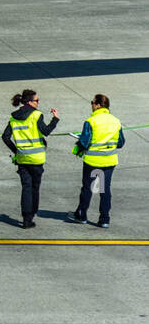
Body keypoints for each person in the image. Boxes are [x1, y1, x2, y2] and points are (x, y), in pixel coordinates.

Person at [2, 89, 59, 228]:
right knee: (35, 187)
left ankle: (26, 219)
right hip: (36, 159)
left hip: (22, 159)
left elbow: (5, 137)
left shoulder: (14, 117)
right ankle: (32, 213)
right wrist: (55, 119)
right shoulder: (36, 115)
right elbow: (46, 131)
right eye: (37, 100)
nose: (38, 103)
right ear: (30, 102)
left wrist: (16, 151)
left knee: (26, 188)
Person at [67, 94, 125, 228]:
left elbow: (85, 142)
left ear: (98, 105)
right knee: (105, 189)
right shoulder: (116, 121)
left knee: (88, 188)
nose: (91, 105)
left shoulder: (91, 121)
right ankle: (104, 219)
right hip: (109, 161)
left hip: (93, 161)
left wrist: (78, 145)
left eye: (92, 103)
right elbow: (121, 142)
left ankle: (81, 215)